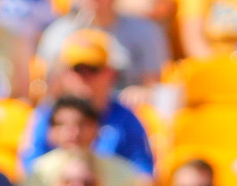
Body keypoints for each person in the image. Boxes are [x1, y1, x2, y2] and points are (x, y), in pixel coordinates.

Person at [17, 33, 156, 178]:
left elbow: (143, 176)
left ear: (110, 73)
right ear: (65, 74)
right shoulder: (46, 116)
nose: (84, 77)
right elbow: (30, 173)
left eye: (92, 69)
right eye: (78, 69)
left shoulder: (127, 119)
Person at [17, 97, 150, 186]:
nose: (73, 132)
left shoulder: (123, 175)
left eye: (81, 124)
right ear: (51, 132)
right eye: (62, 125)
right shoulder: (37, 175)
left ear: (96, 128)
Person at [37, 0, 172, 92]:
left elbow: (155, 86)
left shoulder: (144, 31)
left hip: (125, 115)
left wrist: (142, 93)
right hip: (76, 116)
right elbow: (47, 89)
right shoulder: (58, 34)